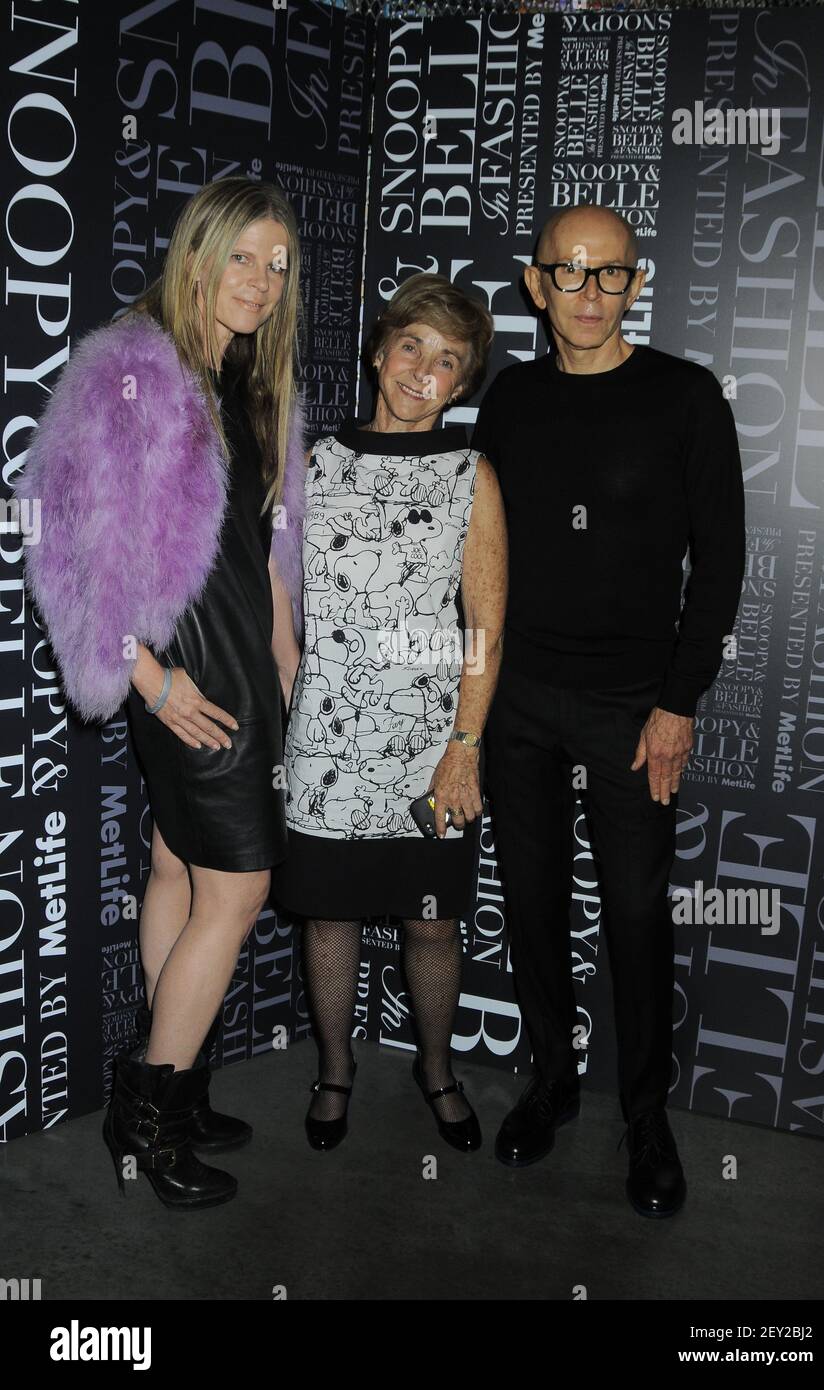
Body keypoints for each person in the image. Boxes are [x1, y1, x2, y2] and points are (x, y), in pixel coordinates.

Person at [14, 176, 308, 1209]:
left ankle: (179, 1088)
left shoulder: (252, 378)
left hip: (241, 662)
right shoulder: (130, 368)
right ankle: (143, 1118)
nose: (262, 282)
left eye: (278, 265)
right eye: (243, 257)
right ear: (198, 252)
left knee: (179, 868)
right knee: (240, 890)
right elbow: (61, 540)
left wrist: (285, 649)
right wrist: (147, 675)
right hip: (184, 670)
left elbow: (272, 540)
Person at [472, 205, 745, 1217]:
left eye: (610, 275)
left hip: (636, 705)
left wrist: (676, 703)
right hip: (518, 700)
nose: (589, 295)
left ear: (633, 283)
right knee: (531, 896)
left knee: (633, 912)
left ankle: (645, 1116)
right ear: (535, 285)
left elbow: (717, 563)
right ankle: (550, 1079)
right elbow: (484, 554)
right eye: (568, 274)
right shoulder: (510, 399)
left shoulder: (683, 397)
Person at [270, 273, 507, 1153]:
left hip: (427, 747)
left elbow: (482, 629)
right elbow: (270, 594)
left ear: (461, 383)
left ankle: (435, 1070)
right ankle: (335, 1073)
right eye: (412, 345)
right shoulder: (311, 465)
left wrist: (464, 749)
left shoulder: (468, 475)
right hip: (325, 738)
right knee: (328, 919)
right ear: (378, 349)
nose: (423, 369)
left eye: (448, 361)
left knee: (430, 921)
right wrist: (291, 682)